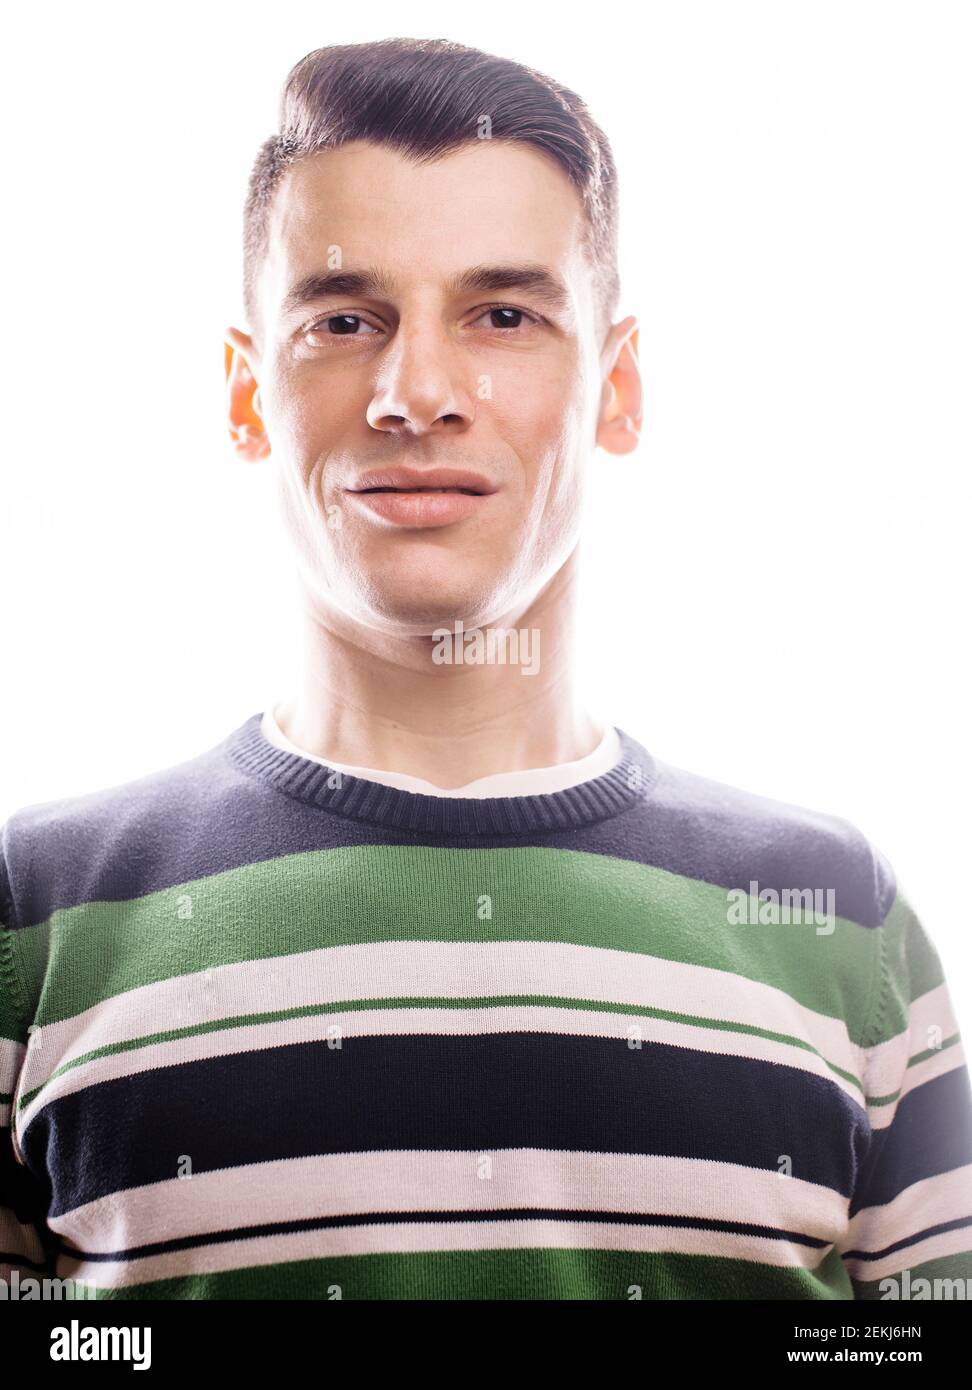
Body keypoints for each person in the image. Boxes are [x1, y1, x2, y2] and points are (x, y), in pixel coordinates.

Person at [1, 37, 969, 1302]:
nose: (417, 391)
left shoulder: (838, 916)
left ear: (616, 388)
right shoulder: (40, 918)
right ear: (248, 396)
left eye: (503, 314)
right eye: (346, 318)